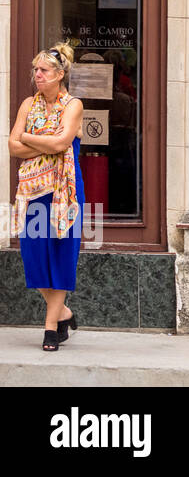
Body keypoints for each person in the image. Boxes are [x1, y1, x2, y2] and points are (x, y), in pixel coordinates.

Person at [10, 43, 85, 351]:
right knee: (33, 255)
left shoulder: (74, 105)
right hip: (32, 191)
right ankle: (65, 312)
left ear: (60, 74)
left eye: (43, 70)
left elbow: (61, 143)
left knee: (60, 253)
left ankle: (51, 326)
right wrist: (42, 142)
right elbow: (12, 147)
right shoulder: (29, 103)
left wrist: (27, 137)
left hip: (64, 190)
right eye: (35, 70)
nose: (37, 75)